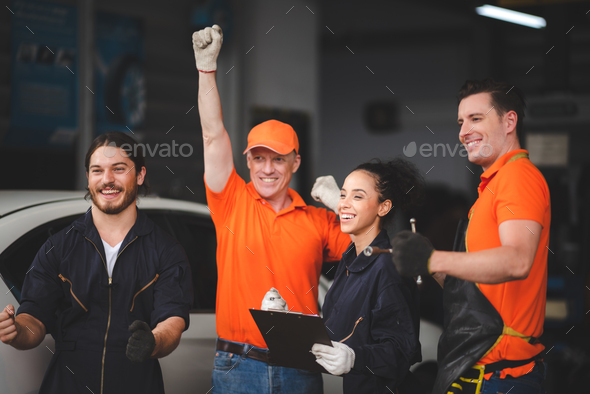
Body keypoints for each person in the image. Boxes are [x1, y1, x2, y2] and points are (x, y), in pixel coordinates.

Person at [192, 25, 351, 393]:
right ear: (247, 162)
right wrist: (206, 70)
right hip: (238, 364)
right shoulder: (230, 200)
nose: (267, 168)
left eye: (278, 159)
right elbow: (213, 134)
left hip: (300, 364)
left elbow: (374, 247)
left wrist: (342, 201)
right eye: (258, 158)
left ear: (296, 163)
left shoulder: (319, 220)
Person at [0, 132, 193, 394]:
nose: (107, 180)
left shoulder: (166, 251)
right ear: (88, 178)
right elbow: (34, 318)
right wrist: (17, 332)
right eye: (97, 170)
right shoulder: (58, 247)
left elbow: (173, 322)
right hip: (67, 385)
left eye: (119, 169)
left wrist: (153, 341)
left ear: (140, 175)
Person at [391, 79, 550, 394]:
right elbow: (469, 291)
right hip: (477, 372)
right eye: (461, 122)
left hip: (502, 379)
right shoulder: (489, 189)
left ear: (509, 121)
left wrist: (434, 257)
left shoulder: (517, 177)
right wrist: (427, 262)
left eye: (476, 118)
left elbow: (518, 260)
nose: (463, 131)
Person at [310, 159, 423, 394]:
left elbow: (401, 350)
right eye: (342, 195)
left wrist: (354, 358)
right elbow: (338, 328)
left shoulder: (386, 267)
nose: (343, 204)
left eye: (358, 196)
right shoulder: (352, 261)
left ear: (383, 207)